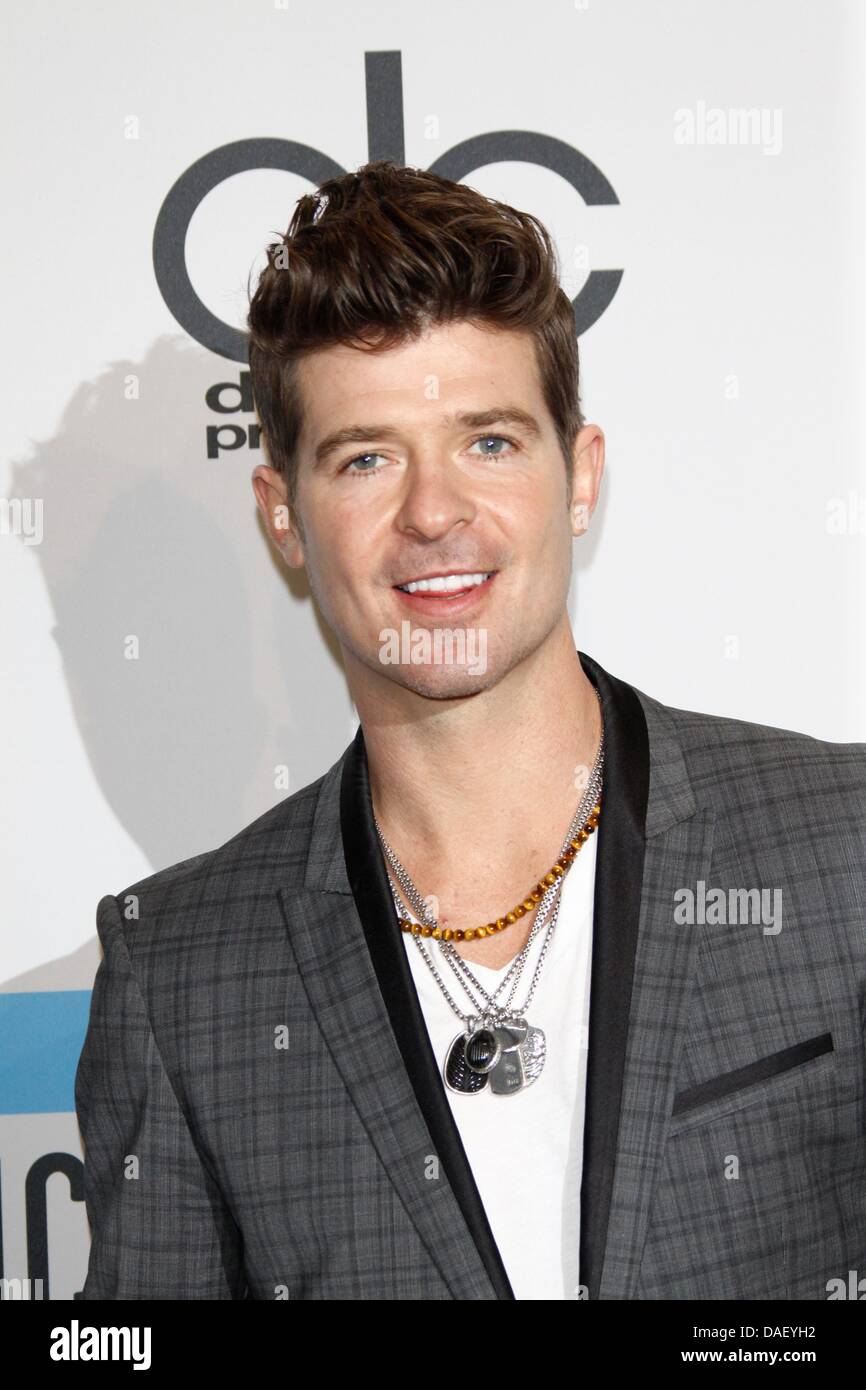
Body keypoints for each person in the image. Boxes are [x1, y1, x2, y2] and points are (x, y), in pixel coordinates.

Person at [75, 160, 866, 1300]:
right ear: (283, 518)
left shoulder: (838, 846)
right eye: (366, 458)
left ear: (577, 475)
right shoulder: (184, 972)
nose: (434, 512)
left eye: (487, 441)